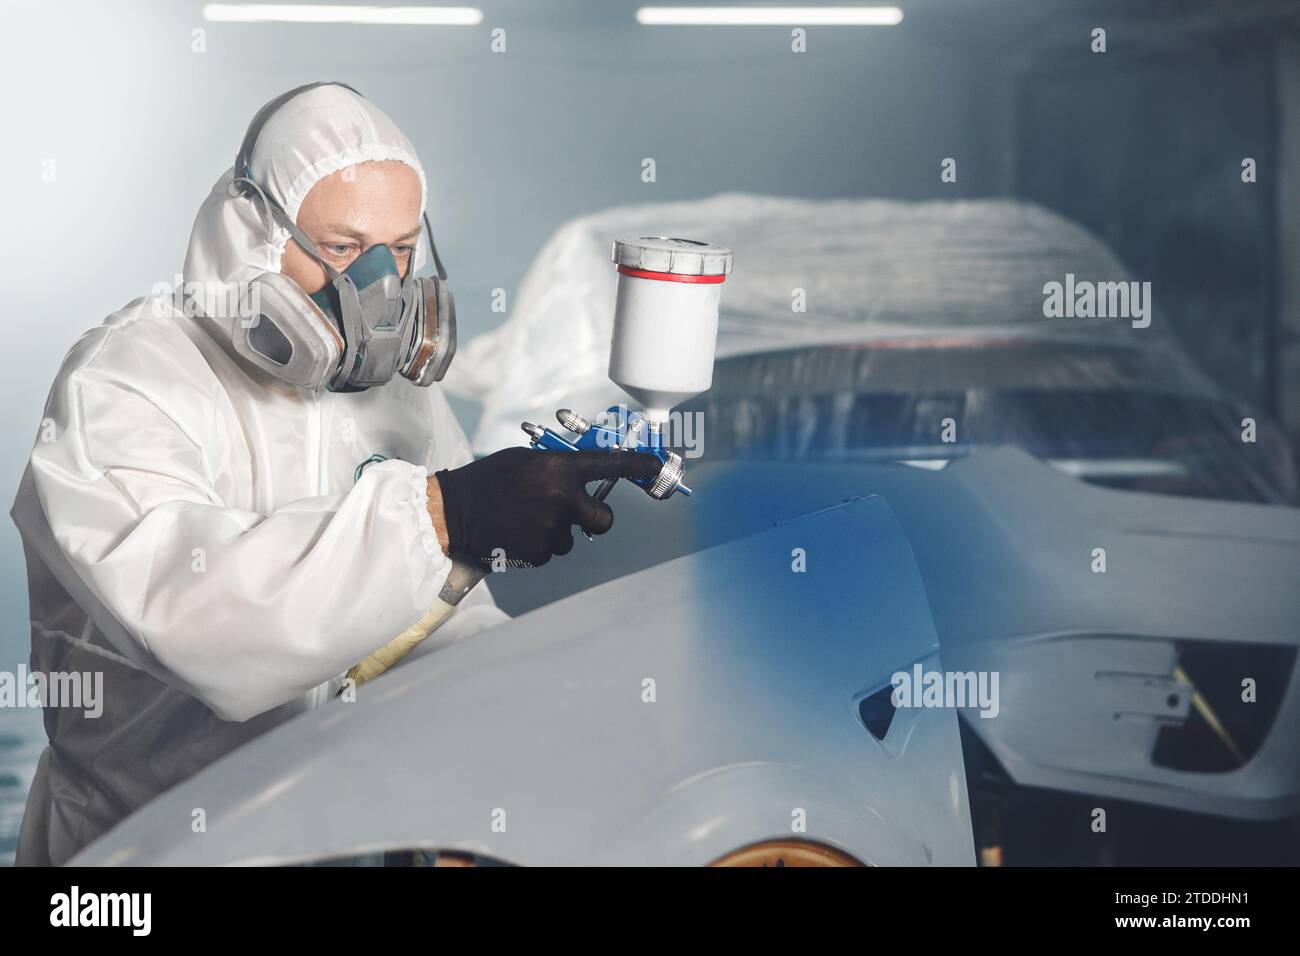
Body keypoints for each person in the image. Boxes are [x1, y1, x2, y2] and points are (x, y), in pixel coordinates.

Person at [10, 83, 658, 866]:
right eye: (345, 250)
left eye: (404, 250)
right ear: (249, 237)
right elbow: (191, 617)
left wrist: (543, 721)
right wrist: (441, 516)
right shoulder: (127, 380)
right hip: (142, 856)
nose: (380, 287)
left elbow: (440, 627)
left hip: (340, 836)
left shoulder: (400, 397)